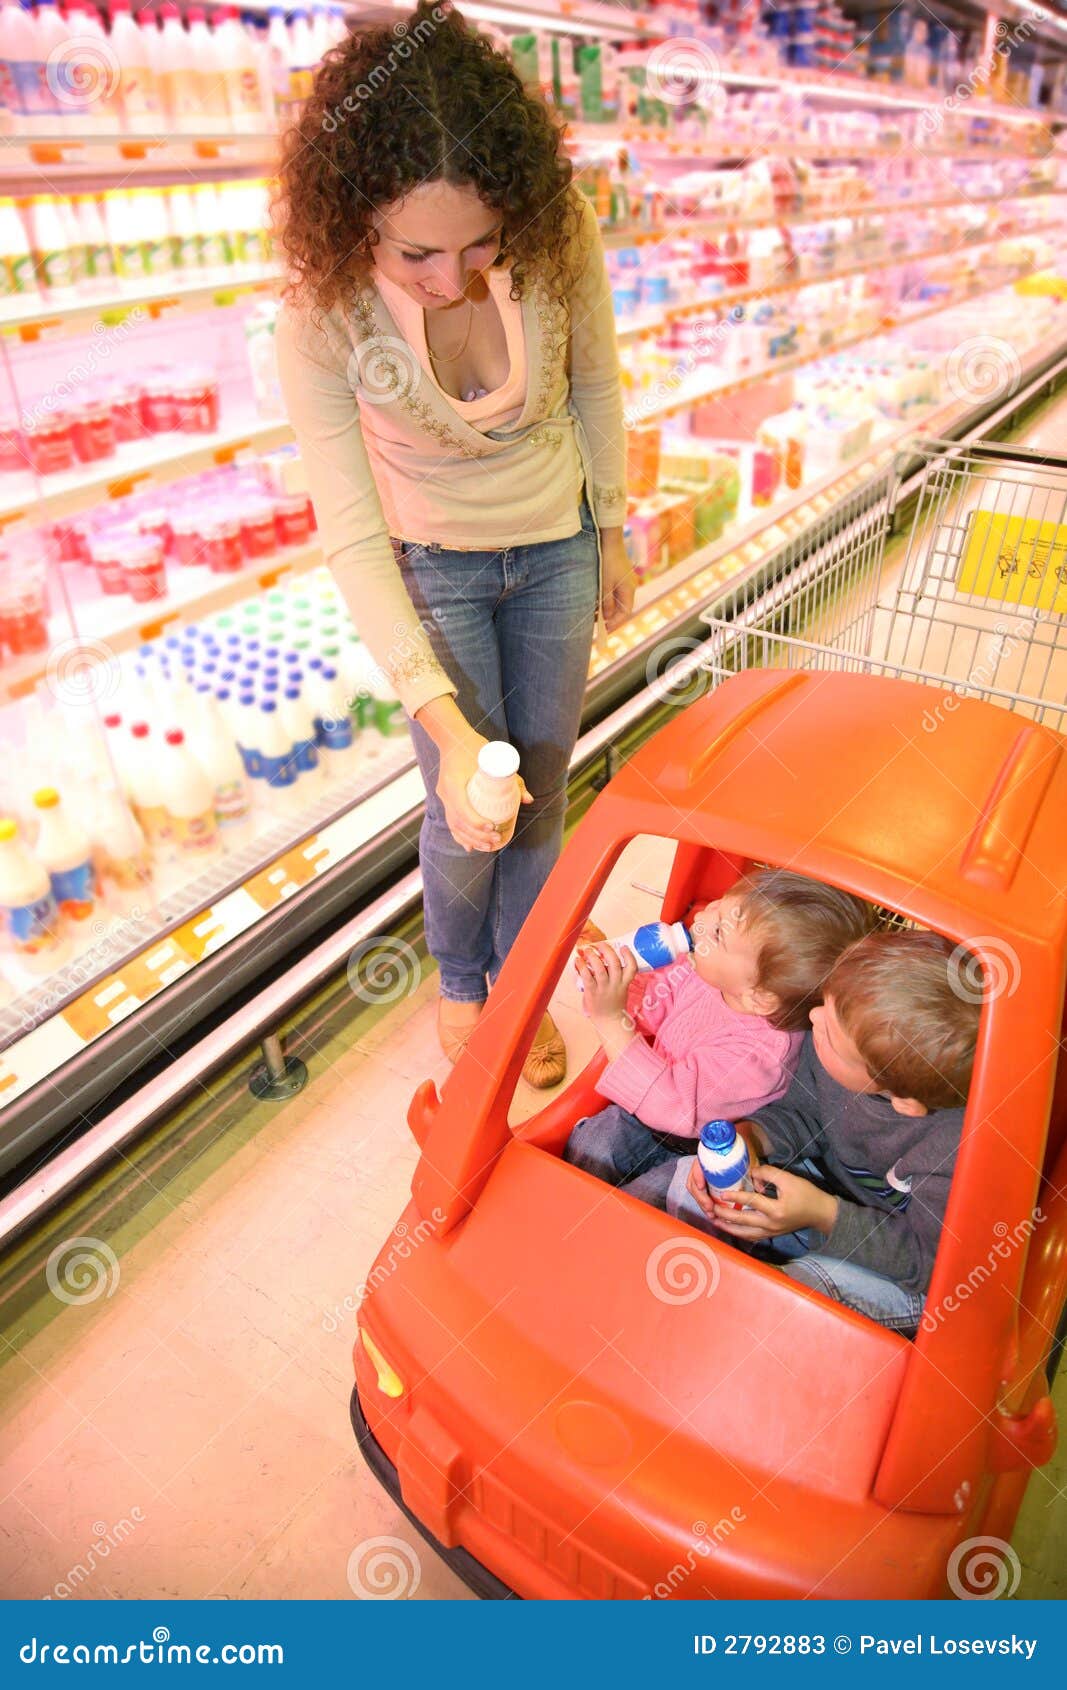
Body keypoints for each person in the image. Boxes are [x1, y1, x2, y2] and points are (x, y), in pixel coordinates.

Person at [273, 2, 631, 1087]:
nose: (455, 277)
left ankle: (520, 975)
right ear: (356, 226)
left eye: (481, 243)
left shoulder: (558, 228)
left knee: (542, 786)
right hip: (432, 564)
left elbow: (595, 382)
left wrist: (608, 531)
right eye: (417, 251)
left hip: (556, 545)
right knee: (464, 797)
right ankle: (461, 984)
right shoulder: (321, 308)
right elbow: (347, 530)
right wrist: (437, 709)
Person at [674, 929, 980, 1335]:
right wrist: (751, 1138)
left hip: (909, 1275)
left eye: (831, 1034)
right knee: (685, 1185)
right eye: (825, 1004)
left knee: (807, 1286)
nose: (813, 1017)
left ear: (903, 1102)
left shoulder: (955, 1151)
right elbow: (804, 1112)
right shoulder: (842, 1053)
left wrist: (822, 1214)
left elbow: (929, 1263)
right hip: (829, 1203)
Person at [563, 870, 876, 1194]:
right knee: (592, 1144)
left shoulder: (758, 1053)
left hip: (702, 1150)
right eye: (720, 905)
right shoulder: (706, 968)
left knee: (660, 1196)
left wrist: (610, 1019)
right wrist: (615, 985)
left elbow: (677, 1108)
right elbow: (652, 1004)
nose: (703, 916)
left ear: (760, 996)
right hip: (647, 1109)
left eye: (718, 932)